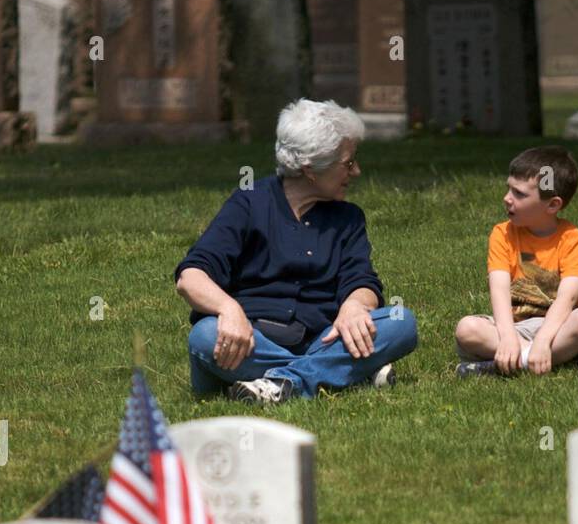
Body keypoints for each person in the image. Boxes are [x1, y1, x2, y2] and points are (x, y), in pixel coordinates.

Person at [174, 99, 418, 405]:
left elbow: (362, 279)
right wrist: (229, 310)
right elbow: (191, 277)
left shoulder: (348, 217)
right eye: (348, 162)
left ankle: (281, 382)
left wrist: (355, 305)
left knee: (401, 322)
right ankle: (341, 371)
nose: (356, 171)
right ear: (311, 169)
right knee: (205, 335)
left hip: (322, 338)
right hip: (252, 340)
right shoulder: (249, 202)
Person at [454, 145, 578, 378]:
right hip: (516, 328)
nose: (507, 199)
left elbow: (568, 299)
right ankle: (564, 359)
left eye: (520, 194)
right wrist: (507, 337)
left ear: (552, 205)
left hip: (561, 327)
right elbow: (499, 290)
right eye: (509, 189)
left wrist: (544, 340)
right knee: (467, 329)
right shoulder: (502, 233)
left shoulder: (573, 240)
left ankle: (502, 366)